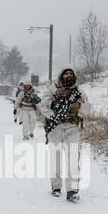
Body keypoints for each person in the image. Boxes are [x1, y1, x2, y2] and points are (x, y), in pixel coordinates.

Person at [37, 67, 89, 202]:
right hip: (55, 127)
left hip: (72, 127)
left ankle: (72, 190)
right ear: (61, 75)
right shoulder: (53, 89)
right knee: (56, 157)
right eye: (66, 73)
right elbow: (43, 107)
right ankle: (56, 187)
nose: (69, 75)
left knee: (73, 158)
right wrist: (55, 116)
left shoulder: (78, 91)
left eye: (71, 73)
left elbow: (87, 107)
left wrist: (77, 109)